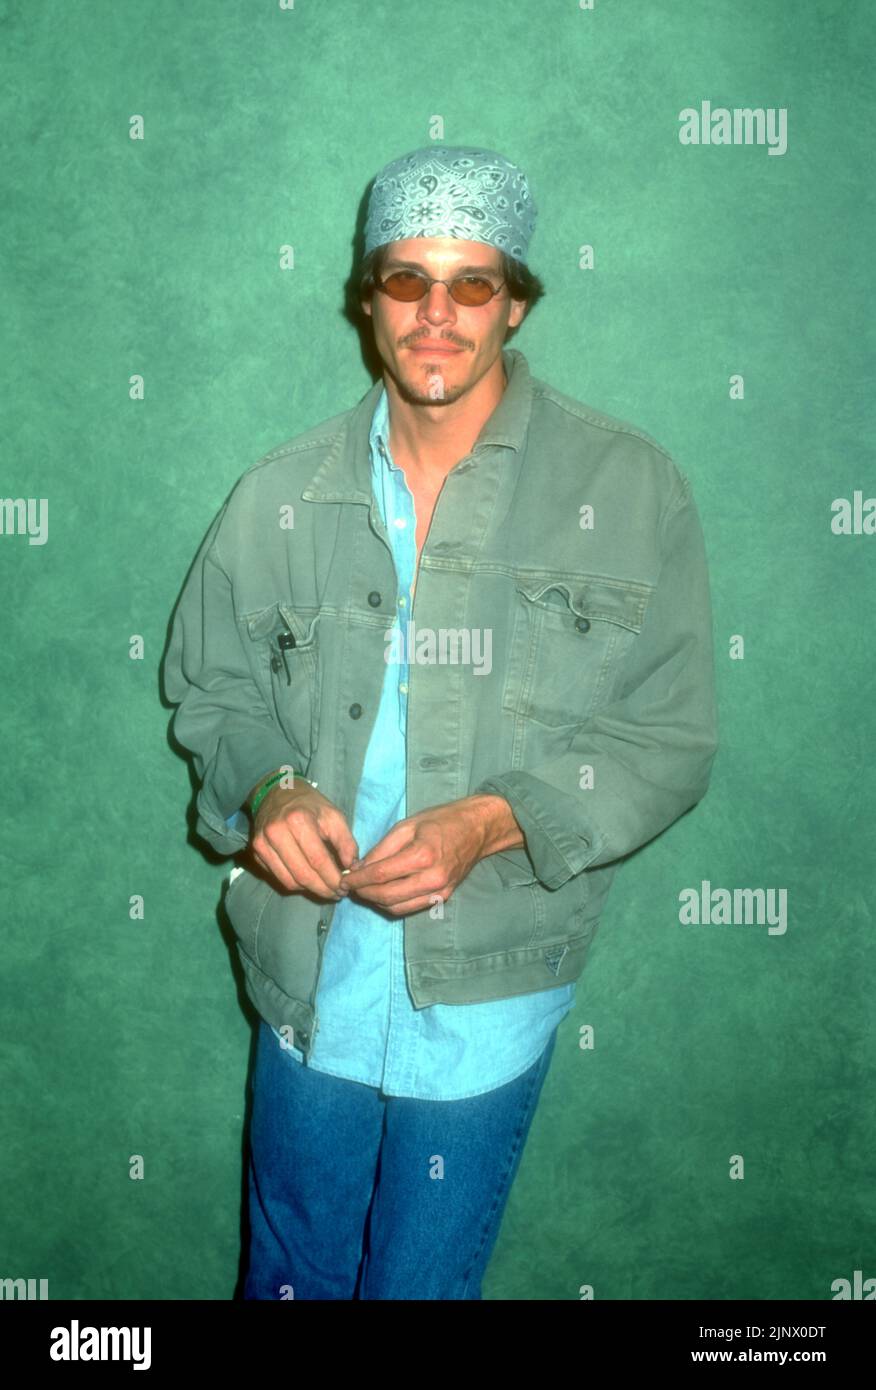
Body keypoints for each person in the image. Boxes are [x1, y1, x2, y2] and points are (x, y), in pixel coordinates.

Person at [163, 144, 719, 1300]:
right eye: (407, 279)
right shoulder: (277, 496)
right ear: (368, 299)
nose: (436, 314)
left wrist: (494, 819)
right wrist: (269, 789)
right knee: (287, 1279)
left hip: (487, 990)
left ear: (515, 301)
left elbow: (668, 738)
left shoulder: (630, 491)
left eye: (472, 284)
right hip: (307, 981)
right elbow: (209, 693)